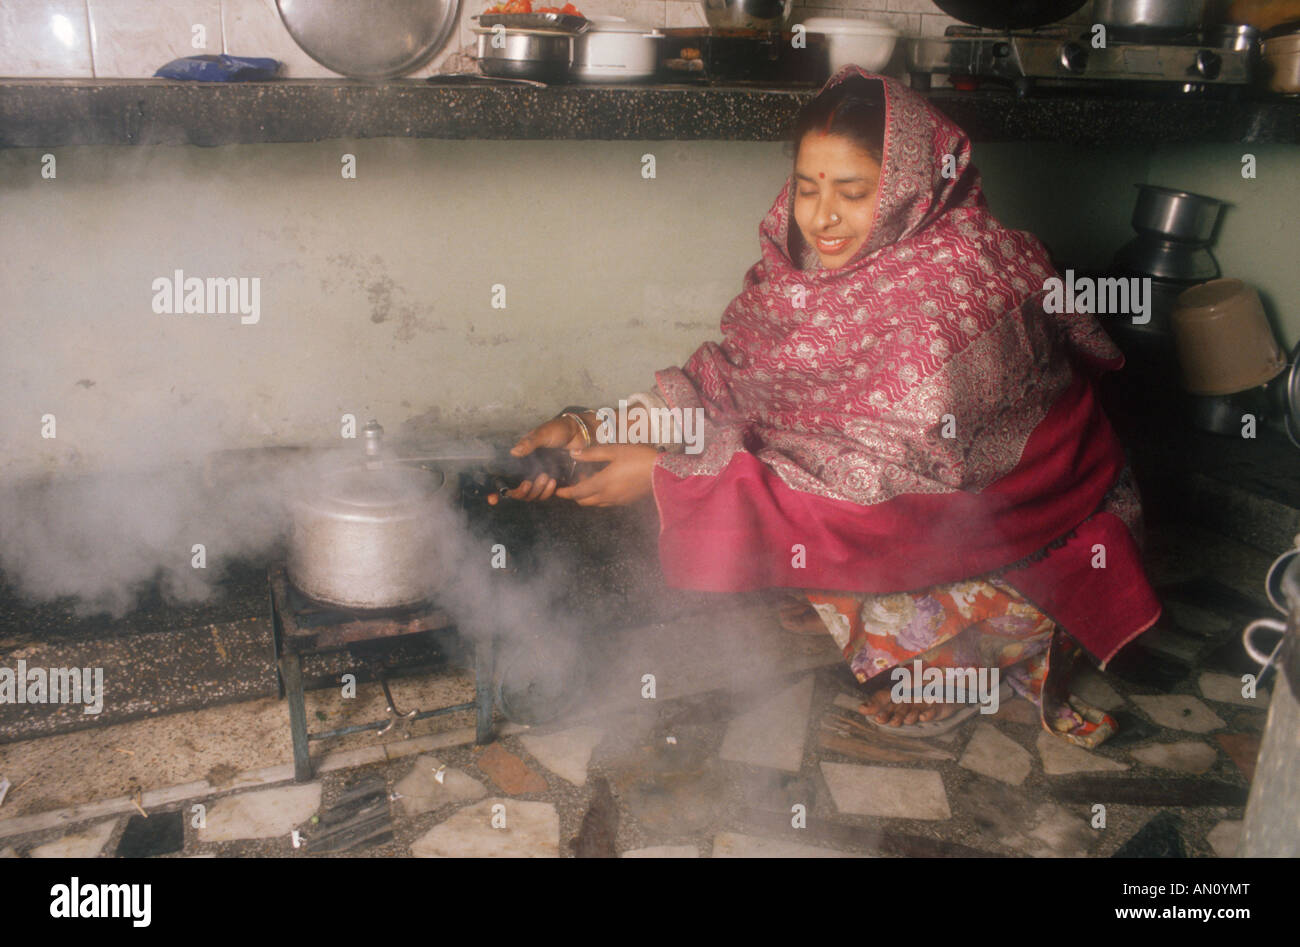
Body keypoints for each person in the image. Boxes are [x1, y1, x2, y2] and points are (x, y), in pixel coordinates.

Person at [491, 66, 1161, 746]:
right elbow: (736, 385)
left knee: (807, 532)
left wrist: (667, 477)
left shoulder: (958, 292)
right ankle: (880, 611)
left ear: (908, 187)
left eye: (853, 191)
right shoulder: (805, 272)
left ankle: (961, 661)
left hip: (1039, 540)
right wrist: (592, 428)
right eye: (808, 188)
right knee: (766, 493)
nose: (823, 216)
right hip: (903, 515)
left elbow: (886, 497)